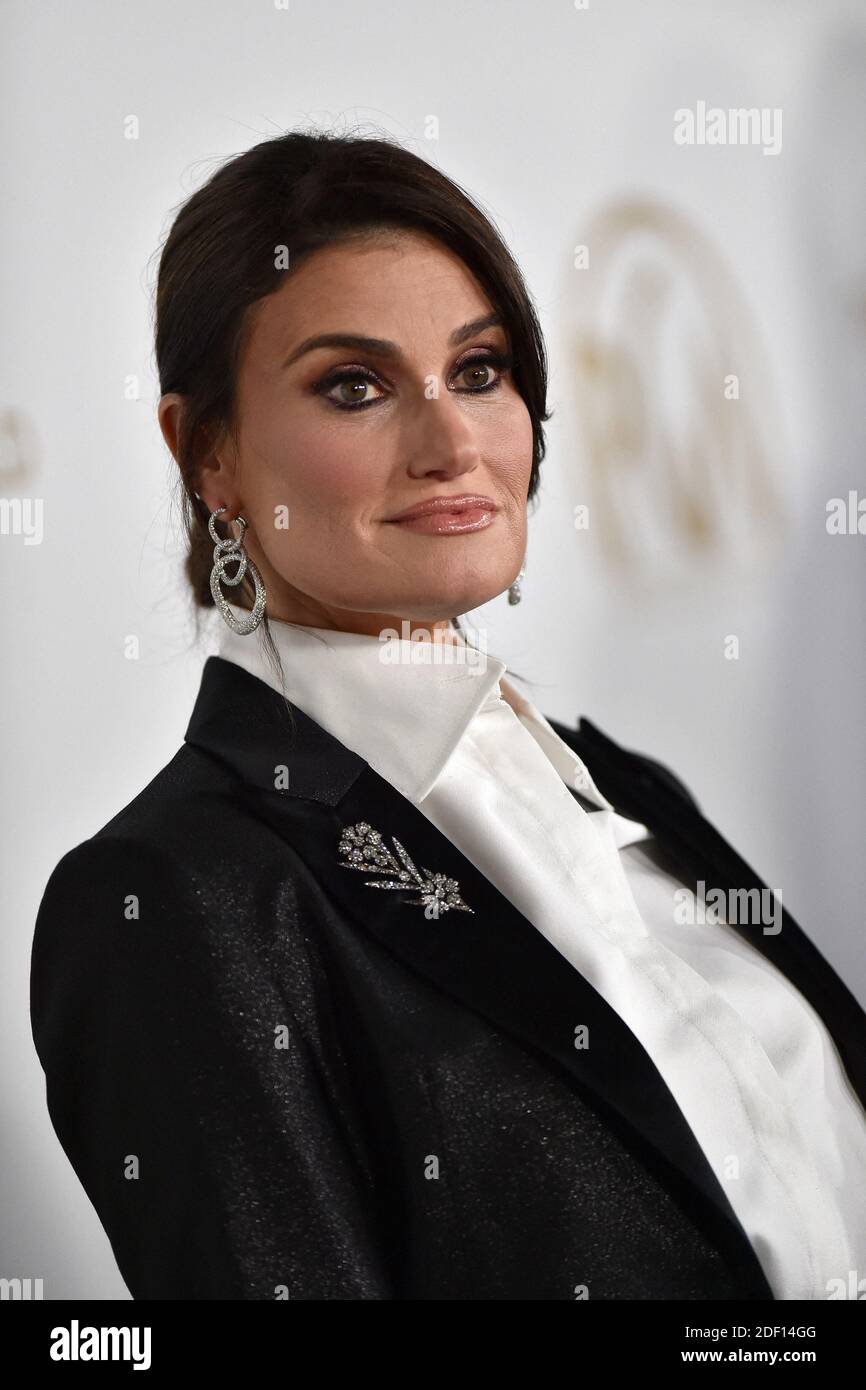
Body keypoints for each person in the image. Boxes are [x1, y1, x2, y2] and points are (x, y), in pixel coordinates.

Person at [30, 129, 866, 1301]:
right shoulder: (170, 899)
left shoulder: (624, 787)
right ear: (206, 453)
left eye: (477, 370)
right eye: (354, 386)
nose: (450, 441)